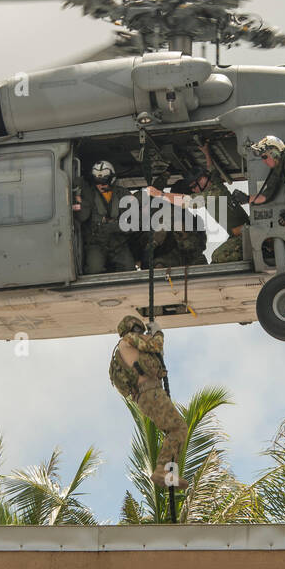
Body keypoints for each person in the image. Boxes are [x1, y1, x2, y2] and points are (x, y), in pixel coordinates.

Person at [108, 315, 189, 489]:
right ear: (134, 329)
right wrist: (158, 332)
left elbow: (155, 355)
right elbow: (156, 345)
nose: (143, 333)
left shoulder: (125, 348)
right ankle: (162, 470)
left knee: (173, 430)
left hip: (146, 395)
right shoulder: (128, 340)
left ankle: (167, 471)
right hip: (150, 392)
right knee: (178, 428)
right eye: (140, 330)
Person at [74, 160, 136, 274]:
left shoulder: (123, 195)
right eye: (97, 181)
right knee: (94, 270)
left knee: (130, 270)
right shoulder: (88, 195)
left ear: (112, 179)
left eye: (104, 181)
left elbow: (134, 223)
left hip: (118, 244)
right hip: (96, 244)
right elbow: (82, 216)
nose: (101, 185)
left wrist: (115, 226)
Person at [142, 179, 208, 268]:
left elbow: (201, 244)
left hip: (191, 258)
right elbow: (153, 245)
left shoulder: (194, 219)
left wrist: (185, 237)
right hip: (169, 258)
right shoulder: (165, 216)